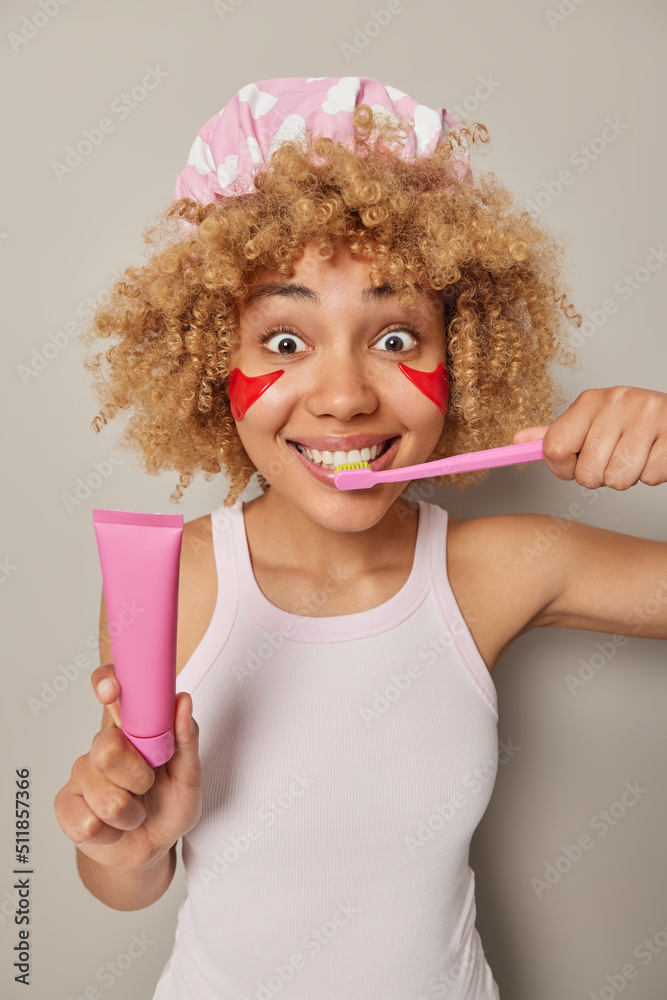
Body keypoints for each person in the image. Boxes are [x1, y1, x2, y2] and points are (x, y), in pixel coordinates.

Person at [54, 77, 667, 1000]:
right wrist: (128, 845)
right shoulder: (172, 577)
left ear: (455, 358)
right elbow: (127, 879)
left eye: (391, 337)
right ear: (214, 363)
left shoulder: (494, 570)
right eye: (285, 343)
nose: (343, 397)